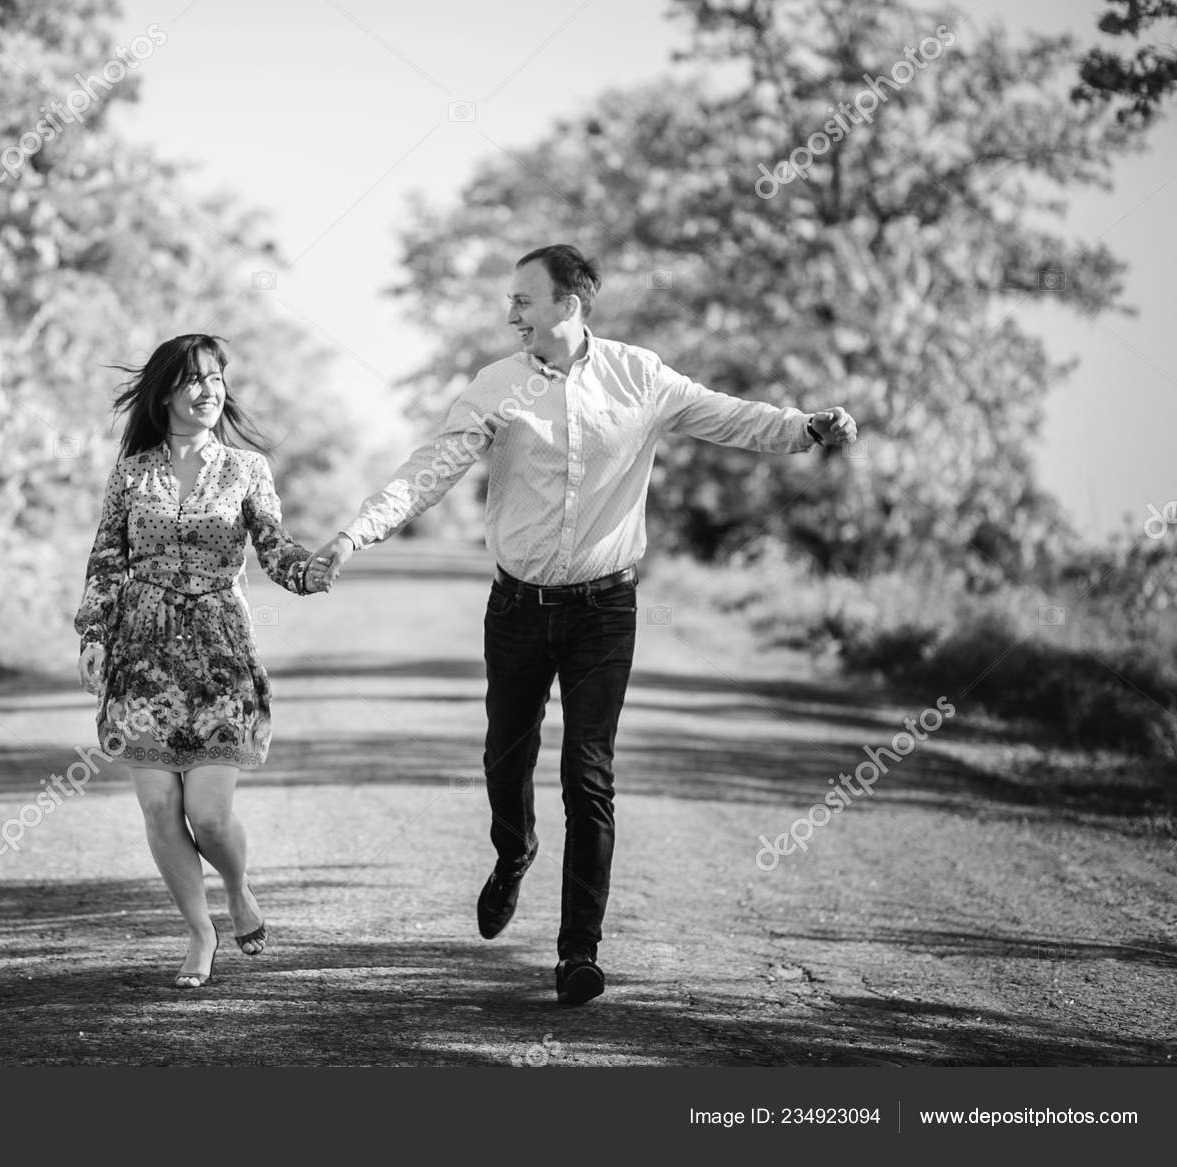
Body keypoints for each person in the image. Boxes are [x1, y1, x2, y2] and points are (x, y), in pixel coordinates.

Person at [309, 245, 857, 1005]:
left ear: (569, 304)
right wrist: (353, 535)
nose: (511, 313)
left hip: (605, 610)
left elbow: (731, 416)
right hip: (516, 609)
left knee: (589, 774)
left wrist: (806, 426)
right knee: (505, 760)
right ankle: (514, 852)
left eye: (523, 300)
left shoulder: (641, 376)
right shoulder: (497, 386)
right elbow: (429, 471)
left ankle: (578, 953)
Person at [74, 333, 329, 988]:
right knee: (160, 806)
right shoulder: (131, 473)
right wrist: (94, 635)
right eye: (194, 379)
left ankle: (237, 888)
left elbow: (274, 548)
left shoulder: (247, 469)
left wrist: (311, 570)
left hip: (219, 656)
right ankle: (199, 931)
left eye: (216, 378)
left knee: (209, 816)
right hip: (142, 654)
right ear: (164, 392)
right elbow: (107, 561)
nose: (209, 390)